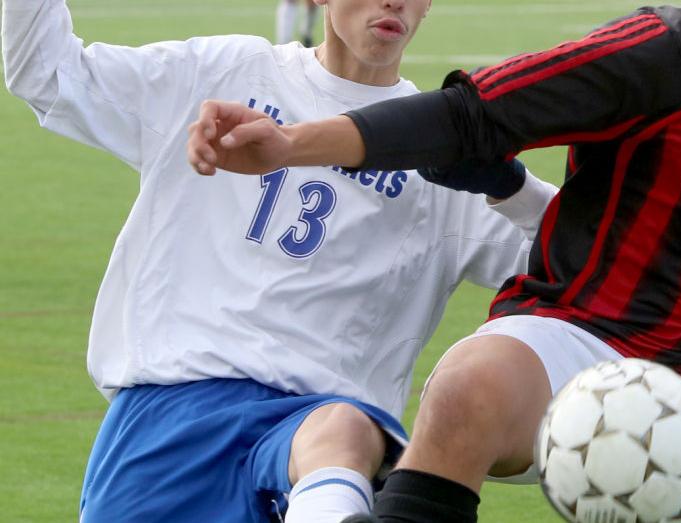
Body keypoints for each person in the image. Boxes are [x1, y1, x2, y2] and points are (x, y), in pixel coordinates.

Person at [187, 0, 681, 521]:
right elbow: (467, 119)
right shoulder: (662, 54)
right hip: (575, 339)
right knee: (466, 385)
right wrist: (294, 144)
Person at [2, 0, 558, 521]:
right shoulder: (219, 72)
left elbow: (583, 255)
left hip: (320, 443)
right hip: (170, 418)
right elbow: (48, 74)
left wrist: (510, 187)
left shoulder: (440, 148)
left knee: (344, 428)